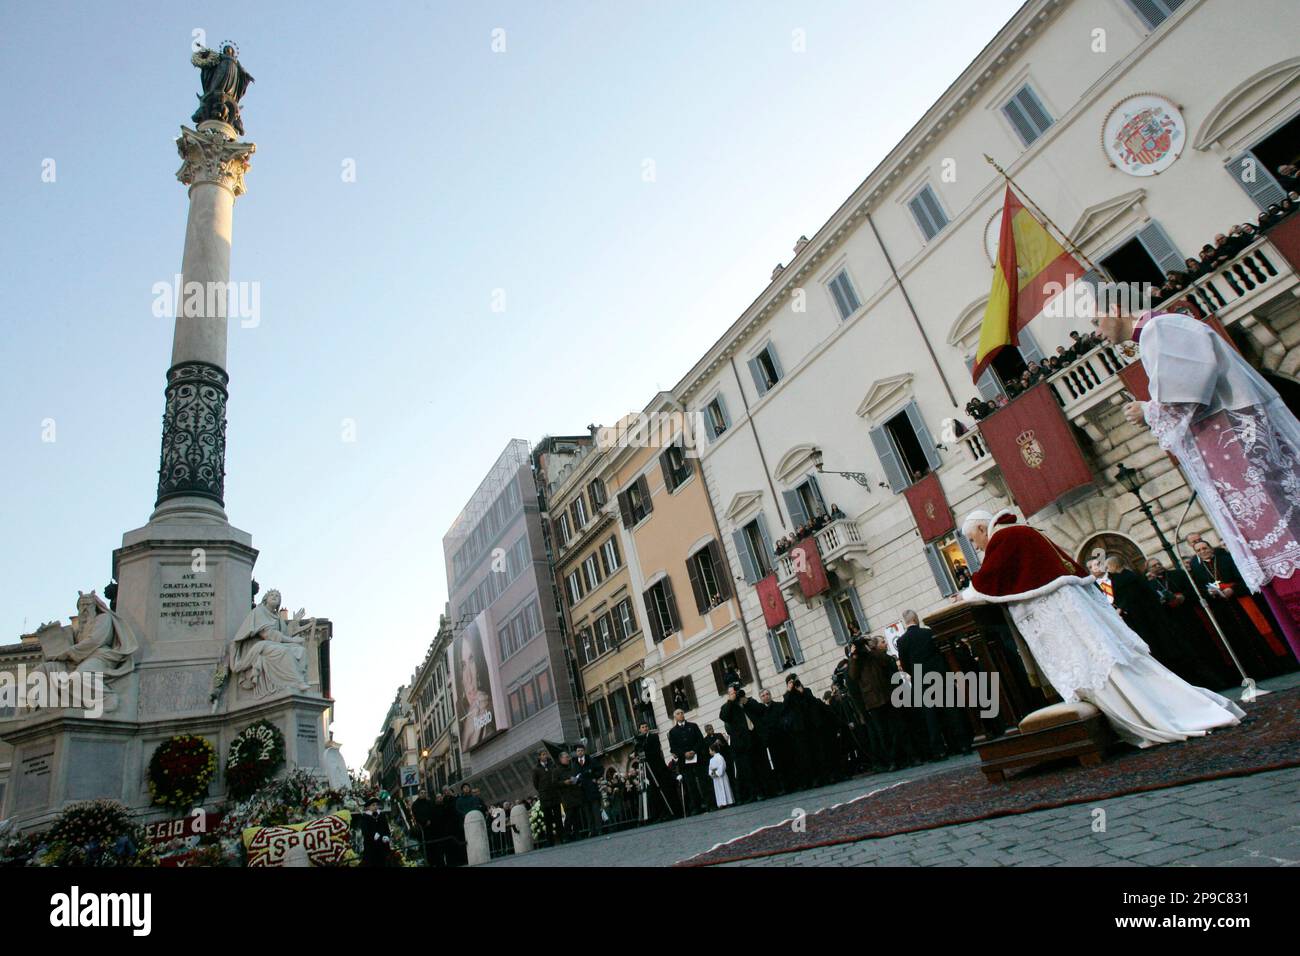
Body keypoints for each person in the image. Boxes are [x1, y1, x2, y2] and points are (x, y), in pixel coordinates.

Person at [1105, 305, 1300, 667]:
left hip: (1234, 445)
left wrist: (1147, 411)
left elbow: (1187, 394)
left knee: (1281, 546)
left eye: (1095, 319)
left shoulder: (1159, 330)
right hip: (1229, 444)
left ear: (1116, 308)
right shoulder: (1159, 332)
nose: (1096, 330)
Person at [959, 509, 1243, 748]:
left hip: (1063, 616)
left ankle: (1148, 718)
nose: (978, 548)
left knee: (1096, 666)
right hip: (1068, 609)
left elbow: (989, 580)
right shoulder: (1021, 531)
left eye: (975, 540)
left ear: (984, 529)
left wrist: (967, 591)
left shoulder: (1007, 536)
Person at [1189, 538, 1294, 678]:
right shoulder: (1197, 569)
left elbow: (1245, 579)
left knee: (1258, 632)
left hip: (1242, 603)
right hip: (1224, 610)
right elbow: (1200, 590)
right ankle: (1256, 672)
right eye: (1199, 550)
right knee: (1239, 639)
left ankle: (1276, 665)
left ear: (1211, 548)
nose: (1203, 551)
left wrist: (1232, 589)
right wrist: (1210, 593)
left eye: (1205, 548)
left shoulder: (1227, 559)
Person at [896, 610, 970, 759]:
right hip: (939, 674)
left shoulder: (901, 641)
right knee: (951, 709)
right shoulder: (928, 633)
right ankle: (963, 743)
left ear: (905, 621)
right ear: (916, 619)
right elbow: (940, 652)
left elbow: (904, 664)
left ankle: (938, 749)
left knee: (931, 716)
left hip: (920, 679)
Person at [718, 686, 768, 802]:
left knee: (762, 766)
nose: (736, 694)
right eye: (732, 692)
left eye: (736, 691)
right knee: (748, 770)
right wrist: (731, 701)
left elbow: (761, 710)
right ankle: (756, 793)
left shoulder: (747, 701)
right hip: (742, 744)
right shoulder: (728, 706)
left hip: (755, 739)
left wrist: (746, 701)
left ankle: (767, 789)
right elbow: (724, 716)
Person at [667, 709, 710, 814]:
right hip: (684, 761)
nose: (681, 715)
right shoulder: (672, 732)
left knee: (703, 781)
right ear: (675, 717)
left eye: (682, 712)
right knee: (690, 785)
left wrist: (694, 751)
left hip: (697, 758)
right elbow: (673, 748)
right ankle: (696, 806)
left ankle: (709, 803)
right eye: (678, 713)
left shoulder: (693, 726)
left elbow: (700, 740)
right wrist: (684, 753)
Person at [531, 748, 564, 846]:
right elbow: (536, 784)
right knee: (548, 820)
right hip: (545, 797)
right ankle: (550, 841)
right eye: (543, 754)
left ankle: (562, 837)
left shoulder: (552, 764)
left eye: (545, 754)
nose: (545, 756)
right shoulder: (536, 769)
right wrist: (543, 790)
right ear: (539, 757)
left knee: (558, 818)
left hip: (554, 794)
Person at [570, 744, 605, 837]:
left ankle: (599, 829)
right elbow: (573, 777)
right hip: (582, 791)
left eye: (581, 750)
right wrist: (576, 782)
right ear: (576, 752)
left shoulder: (591, 760)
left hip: (592, 789)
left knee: (596, 811)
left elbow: (601, 769)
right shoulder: (574, 764)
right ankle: (591, 830)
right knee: (588, 813)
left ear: (584, 751)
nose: (580, 752)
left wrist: (595, 777)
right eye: (578, 751)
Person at [356, 798, 392, 867]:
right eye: (373, 805)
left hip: (383, 845)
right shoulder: (365, 817)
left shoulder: (381, 815)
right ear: (369, 807)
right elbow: (365, 831)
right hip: (371, 847)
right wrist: (373, 835)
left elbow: (386, 828)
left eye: (376, 805)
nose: (375, 807)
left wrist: (387, 835)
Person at [708, 743, 734, 808]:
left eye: (710, 750)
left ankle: (728, 802)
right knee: (718, 790)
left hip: (722, 776)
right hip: (716, 778)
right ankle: (721, 803)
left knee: (725, 787)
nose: (709, 752)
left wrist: (717, 773)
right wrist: (712, 773)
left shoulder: (720, 757)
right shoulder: (711, 760)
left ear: (713, 750)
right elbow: (710, 768)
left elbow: (722, 766)